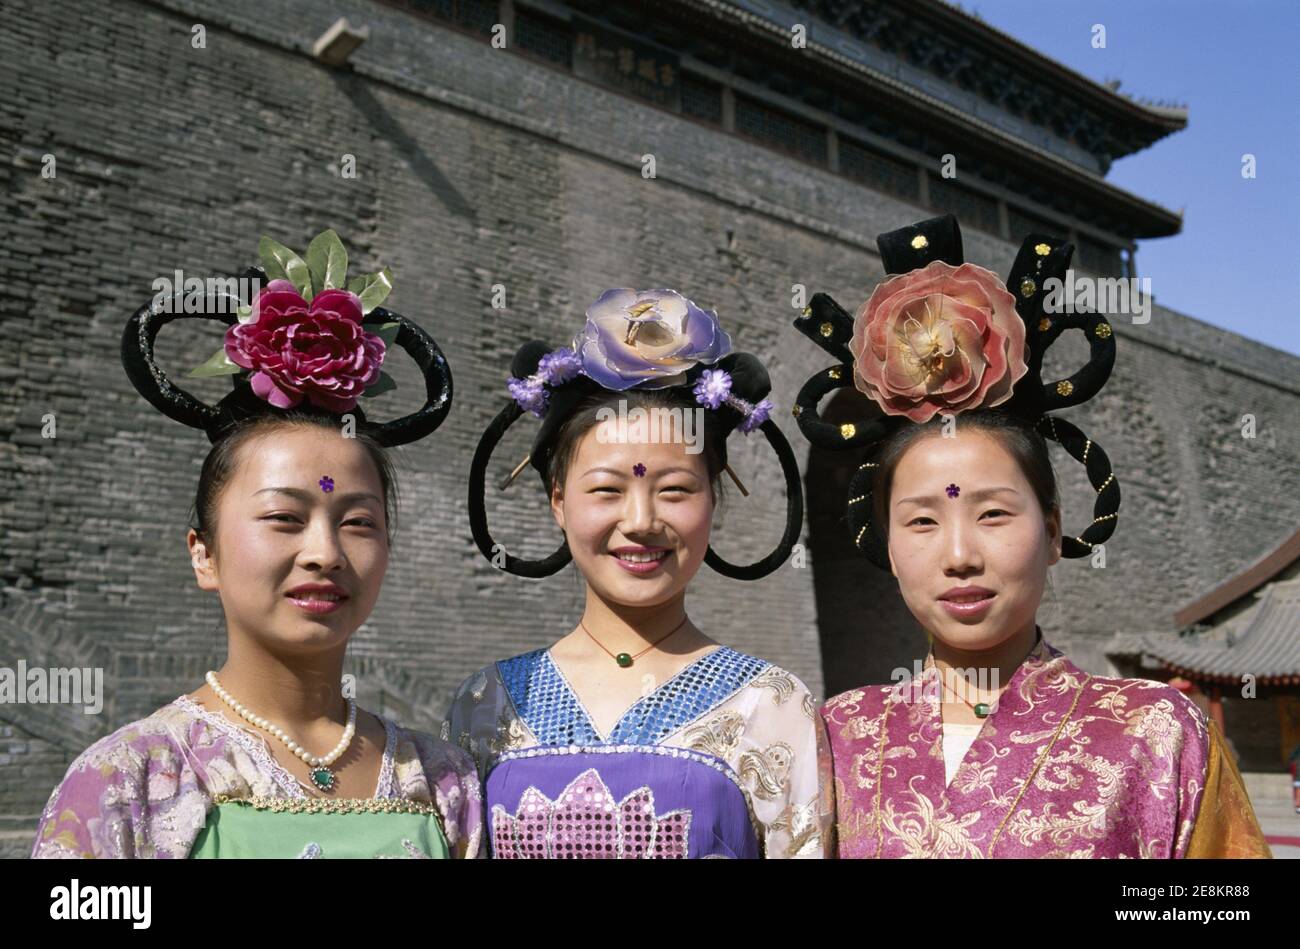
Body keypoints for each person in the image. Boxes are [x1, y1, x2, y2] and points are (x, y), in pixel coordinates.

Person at [790, 214, 1271, 858]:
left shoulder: (1158, 731)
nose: (960, 556)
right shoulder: (839, 733)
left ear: (1051, 531)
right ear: (886, 544)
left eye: (993, 514)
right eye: (923, 521)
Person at [32, 229, 480, 858]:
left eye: (358, 522)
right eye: (284, 518)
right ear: (203, 553)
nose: (325, 553)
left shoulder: (443, 784)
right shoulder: (130, 780)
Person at [453, 287, 831, 858]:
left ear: (714, 498)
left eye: (674, 490)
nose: (640, 521)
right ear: (558, 502)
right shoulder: (486, 705)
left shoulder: (774, 706)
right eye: (607, 489)